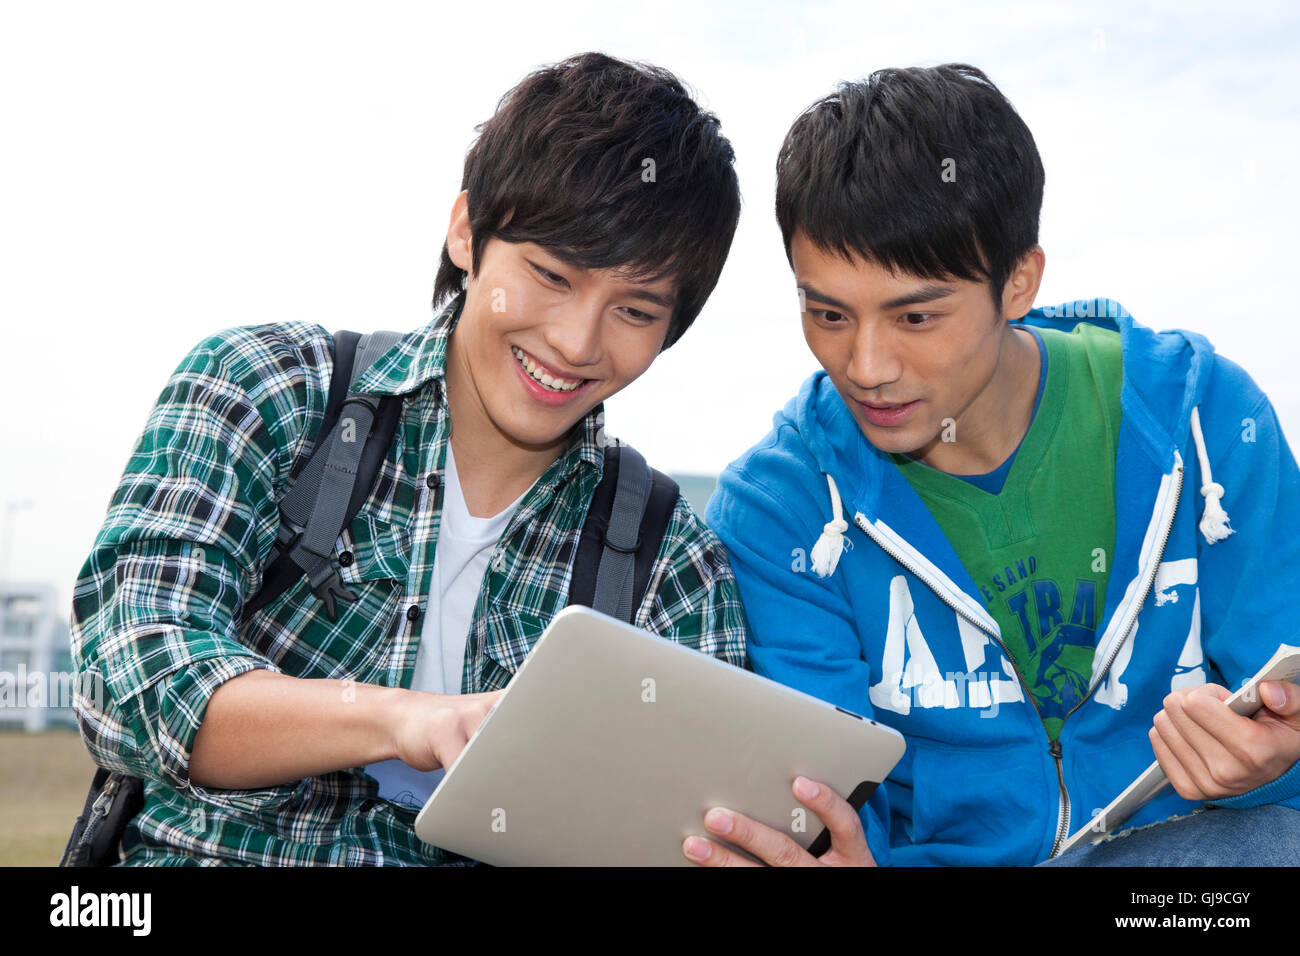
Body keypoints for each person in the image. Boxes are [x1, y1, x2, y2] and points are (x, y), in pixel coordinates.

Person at [70, 51, 748, 866]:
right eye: (550, 275)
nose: (575, 343)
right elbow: (132, 684)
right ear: (467, 231)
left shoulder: (672, 561)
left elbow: (676, 822)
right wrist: (406, 719)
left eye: (635, 310)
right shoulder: (267, 389)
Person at [688, 63, 1300, 867]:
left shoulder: (1208, 421)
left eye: (916, 315)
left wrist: (1275, 757)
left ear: (1019, 282)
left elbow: (1285, 700)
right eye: (827, 313)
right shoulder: (779, 508)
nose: (866, 364)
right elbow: (822, 809)